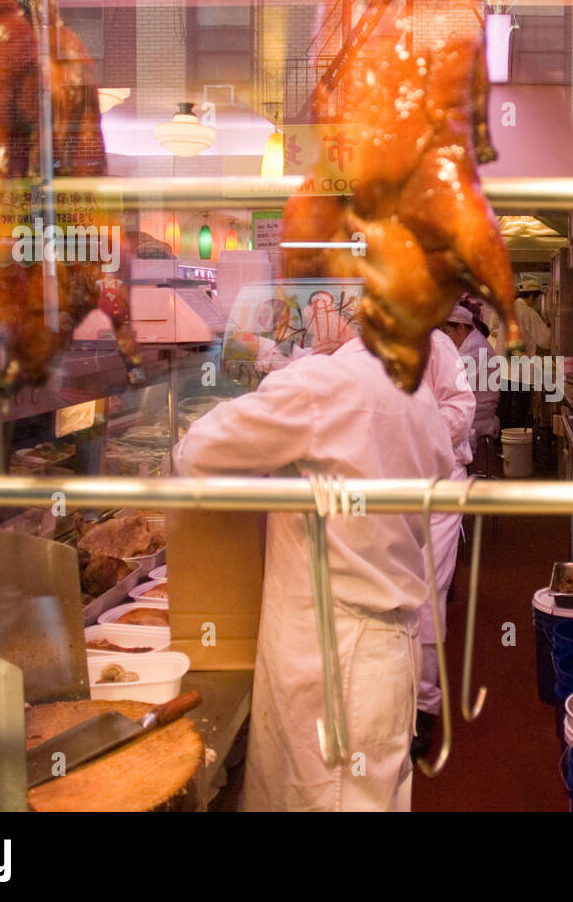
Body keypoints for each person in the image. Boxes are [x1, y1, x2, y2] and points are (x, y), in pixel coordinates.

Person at [174, 311, 454, 812]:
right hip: (385, 651)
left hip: (333, 657)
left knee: (322, 797)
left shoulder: (320, 384)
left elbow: (195, 454)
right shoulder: (415, 391)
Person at [413, 329, 475, 760]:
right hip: (375, 484)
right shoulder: (349, 345)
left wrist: (411, 433)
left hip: (435, 483)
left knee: (423, 595)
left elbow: (461, 407)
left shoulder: (436, 344)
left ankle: (422, 708)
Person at [440, 305, 500, 454]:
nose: (448, 338)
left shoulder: (473, 351)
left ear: (460, 327)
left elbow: (454, 389)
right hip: (478, 412)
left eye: (448, 332)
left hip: (477, 417)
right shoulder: (471, 344)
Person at [500, 277, 552, 430]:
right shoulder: (527, 312)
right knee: (518, 413)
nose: (534, 302)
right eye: (534, 299)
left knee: (505, 409)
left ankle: (502, 447)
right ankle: (517, 447)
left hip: (504, 368)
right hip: (520, 371)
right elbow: (545, 340)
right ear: (531, 296)